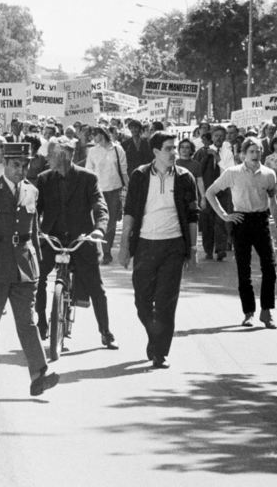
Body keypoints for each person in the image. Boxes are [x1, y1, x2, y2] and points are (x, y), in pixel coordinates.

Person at [0, 141, 59, 396]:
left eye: (25, 165)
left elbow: (33, 230)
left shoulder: (31, 191)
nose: (21, 170)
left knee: (27, 322)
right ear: (4, 164)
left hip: (24, 267)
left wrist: (38, 261)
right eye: (16, 165)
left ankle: (39, 374)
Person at [118, 132, 199, 369]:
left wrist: (193, 250)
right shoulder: (140, 176)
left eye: (174, 148)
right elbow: (129, 211)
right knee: (142, 302)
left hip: (173, 246)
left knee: (165, 303)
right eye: (168, 148)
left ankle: (160, 351)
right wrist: (124, 246)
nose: (174, 152)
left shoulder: (185, 178)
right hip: (145, 245)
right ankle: (154, 336)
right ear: (155, 152)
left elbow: (192, 216)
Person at [35, 136, 115, 347]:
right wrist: (34, 230)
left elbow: (99, 206)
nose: (47, 159)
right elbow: (35, 210)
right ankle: (41, 321)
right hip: (52, 238)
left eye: (50, 155)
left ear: (63, 155)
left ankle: (105, 332)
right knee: (38, 277)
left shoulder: (88, 178)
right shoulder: (44, 179)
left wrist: (99, 230)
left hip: (81, 239)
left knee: (96, 287)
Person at [206, 136, 277, 329]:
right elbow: (210, 192)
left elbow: (273, 202)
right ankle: (248, 312)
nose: (255, 155)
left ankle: (266, 311)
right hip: (241, 221)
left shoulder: (268, 174)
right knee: (244, 268)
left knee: (270, 267)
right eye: (251, 151)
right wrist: (225, 215)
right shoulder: (232, 173)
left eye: (258, 151)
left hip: (261, 220)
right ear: (243, 154)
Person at [85, 126, 127, 264]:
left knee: (111, 221)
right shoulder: (92, 151)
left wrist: (128, 189)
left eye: (94, 134)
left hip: (114, 190)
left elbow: (124, 171)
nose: (93, 138)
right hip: (97, 190)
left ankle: (107, 251)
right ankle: (97, 250)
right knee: (96, 220)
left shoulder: (117, 149)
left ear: (102, 134)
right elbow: (88, 171)